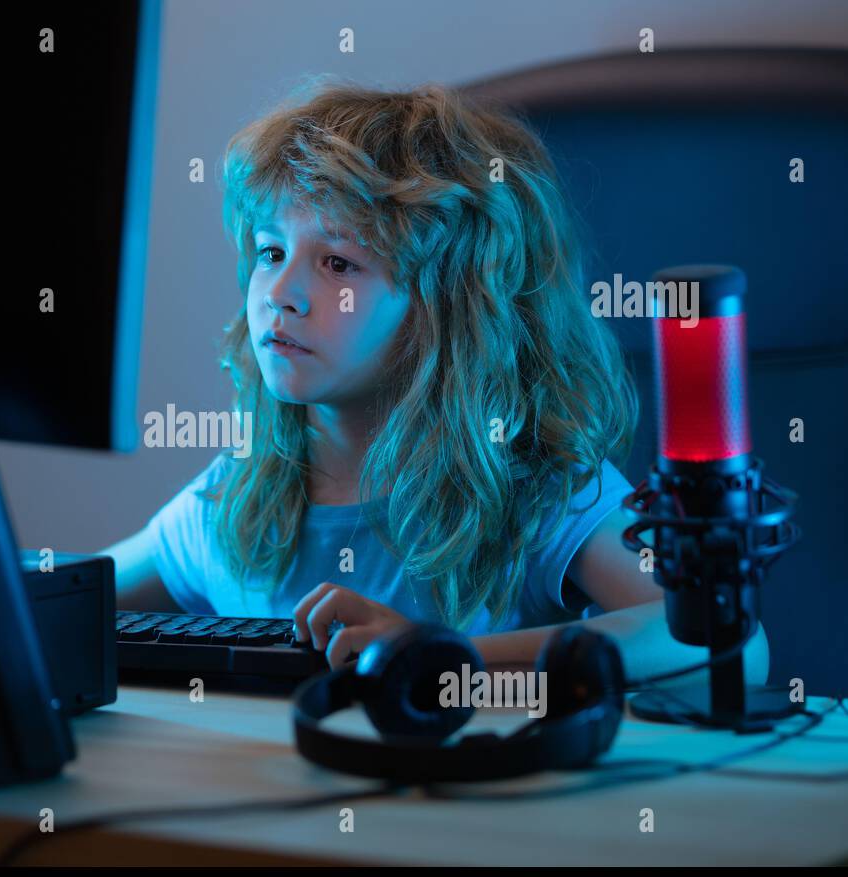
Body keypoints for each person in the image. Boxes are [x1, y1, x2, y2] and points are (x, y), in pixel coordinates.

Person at [107, 80, 768, 686]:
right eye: (272, 252)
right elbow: (53, 599)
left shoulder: (534, 491)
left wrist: (447, 661)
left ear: (447, 310)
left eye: (338, 262)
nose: (281, 293)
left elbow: (722, 645)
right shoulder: (236, 499)